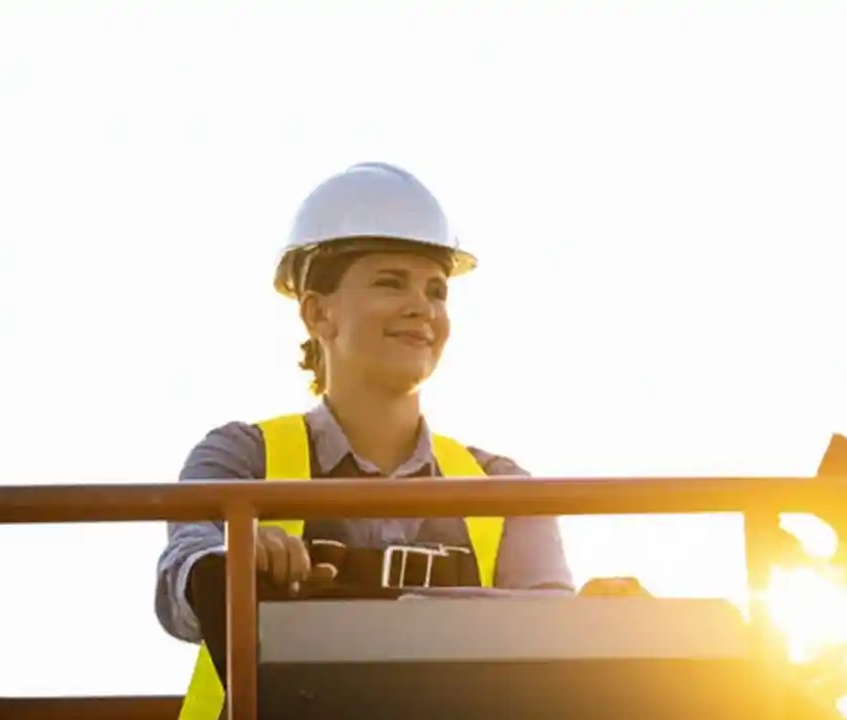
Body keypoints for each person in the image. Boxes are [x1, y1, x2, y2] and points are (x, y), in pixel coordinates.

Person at [154, 161, 574, 720]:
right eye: (389, 282)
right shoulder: (239, 459)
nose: (422, 308)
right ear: (317, 312)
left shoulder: (504, 487)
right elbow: (184, 576)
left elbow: (559, 654)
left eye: (436, 289)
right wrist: (232, 562)